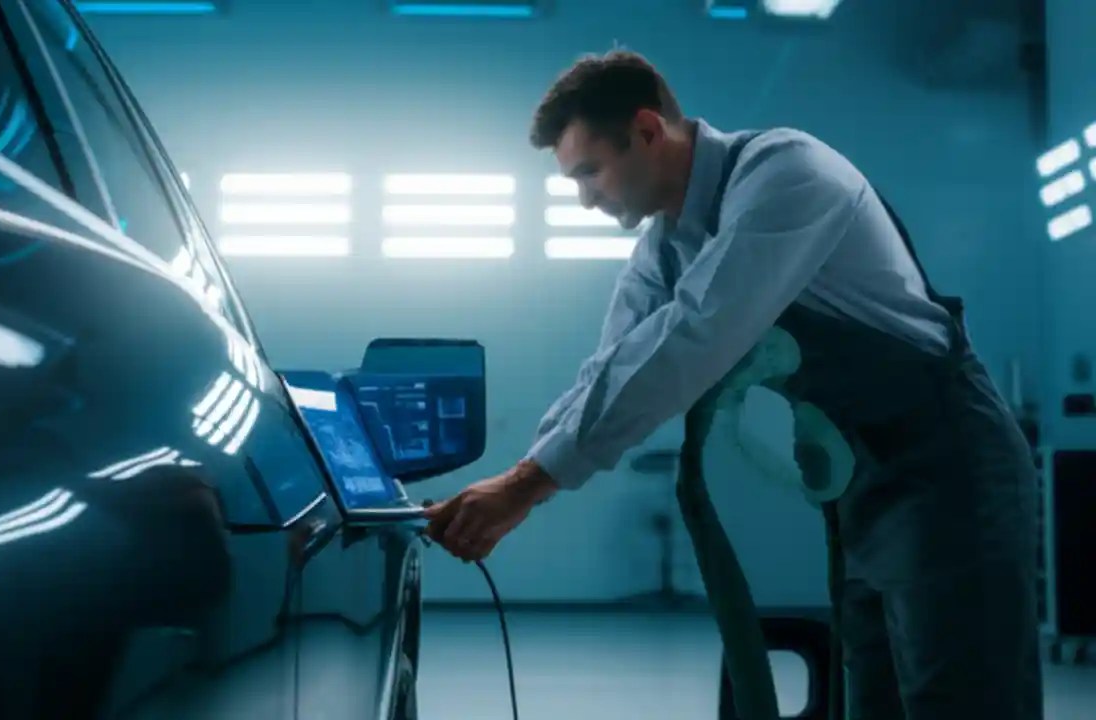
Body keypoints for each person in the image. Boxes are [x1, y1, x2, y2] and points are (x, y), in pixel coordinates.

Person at [422, 49, 1042, 720]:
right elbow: (609, 371)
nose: (586, 198)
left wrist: (524, 486)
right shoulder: (663, 247)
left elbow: (692, 339)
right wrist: (515, 485)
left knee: (966, 702)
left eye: (589, 171)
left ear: (648, 130)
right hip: (862, 483)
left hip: (950, 469)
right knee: (879, 702)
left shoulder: (788, 176)